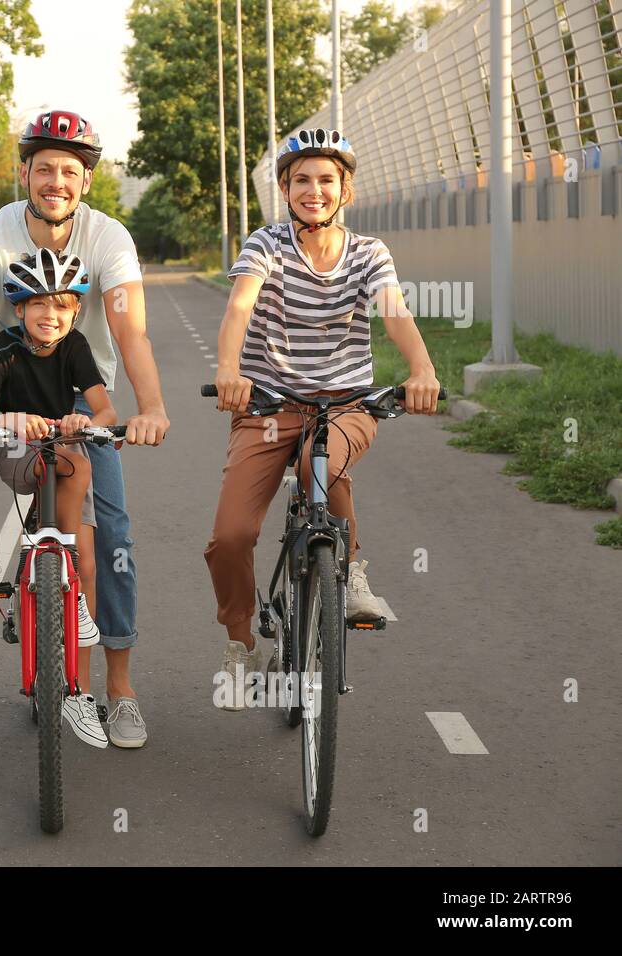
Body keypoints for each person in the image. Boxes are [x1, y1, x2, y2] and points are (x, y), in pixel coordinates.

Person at [0, 109, 170, 748]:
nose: (56, 180)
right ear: (25, 174)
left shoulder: (109, 239)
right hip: (7, 398)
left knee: (112, 534)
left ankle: (118, 689)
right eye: (44, 169)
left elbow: (129, 331)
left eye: (70, 170)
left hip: (81, 403)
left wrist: (152, 409)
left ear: (85, 180)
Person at [205, 127, 442, 710]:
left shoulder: (368, 253)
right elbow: (240, 306)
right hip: (267, 407)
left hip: (344, 405)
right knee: (230, 536)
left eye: (326, 180)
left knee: (323, 470)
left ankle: (351, 571)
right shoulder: (266, 245)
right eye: (301, 180)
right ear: (285, 189)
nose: (314, 190)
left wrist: (422, 370)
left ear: (346, 191)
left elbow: (395, 314)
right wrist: (231, 370)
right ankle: (241, 644)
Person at [0, 248, 116, 747]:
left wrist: (83, 421)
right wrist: (10, 420)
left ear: (75, 311)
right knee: (69, 462)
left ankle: (78, 663)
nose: (49, 315)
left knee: (90, 565)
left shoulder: (75, 346)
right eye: (38, 305)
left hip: (64, 446)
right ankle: (61, 556)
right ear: (19, 309)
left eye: (60, 306)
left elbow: (105, 411)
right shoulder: (4, 351)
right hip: (19, 451)